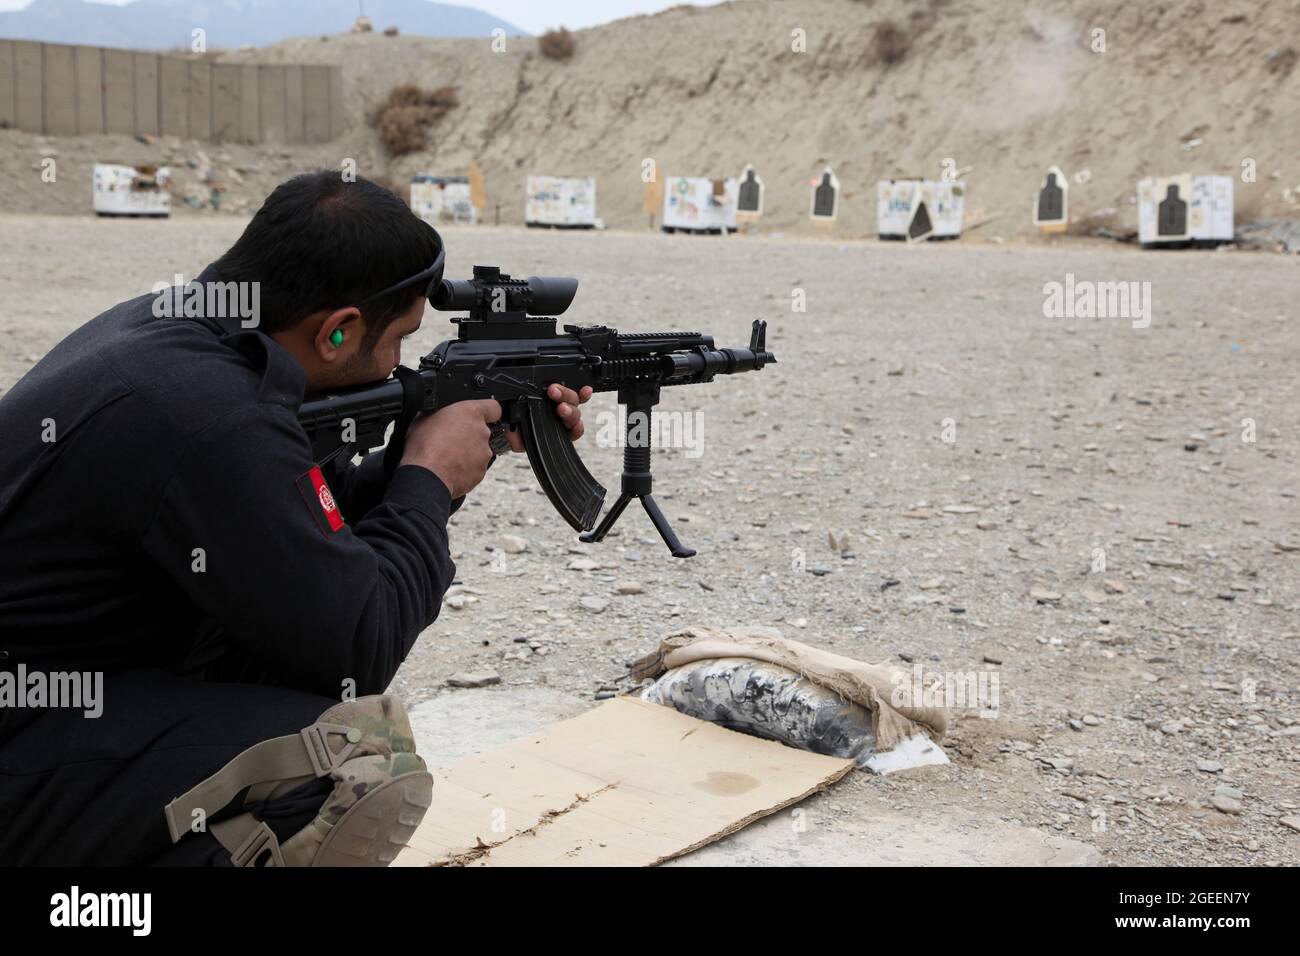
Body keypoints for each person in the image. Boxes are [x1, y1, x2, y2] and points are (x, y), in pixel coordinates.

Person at [0, 171, 591, 866]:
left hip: (68, 682)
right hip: (26, 727)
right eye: (398, 338)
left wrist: (434, 457)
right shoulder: (212, 415)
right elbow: (359, 642)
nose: (402, 364)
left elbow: (295, 533)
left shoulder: (186, 335)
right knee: (354, 762)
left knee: (280, 660)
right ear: (338, 331)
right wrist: (427, 481)